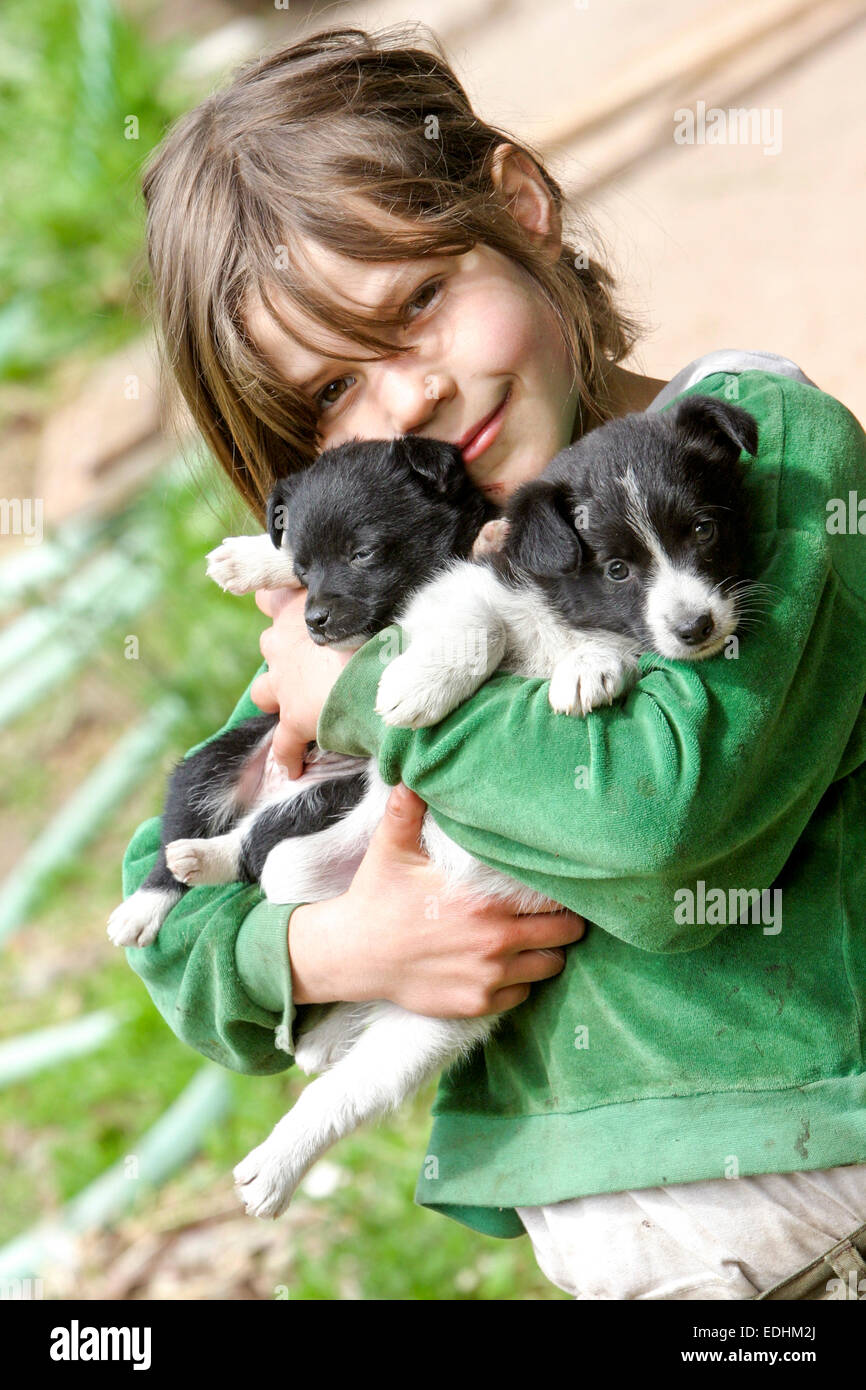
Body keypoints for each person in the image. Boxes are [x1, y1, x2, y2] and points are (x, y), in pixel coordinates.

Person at [121, 24, 866, 1299]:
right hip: (610, 1253)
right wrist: (332, 954)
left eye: (414, 302)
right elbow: (169, 912)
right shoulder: (394, 591)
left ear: (520, 208)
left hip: (820, 1208)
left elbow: (661, 820)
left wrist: (361, 695)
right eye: (323, 397)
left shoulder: (760, 456)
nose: (402, 399)